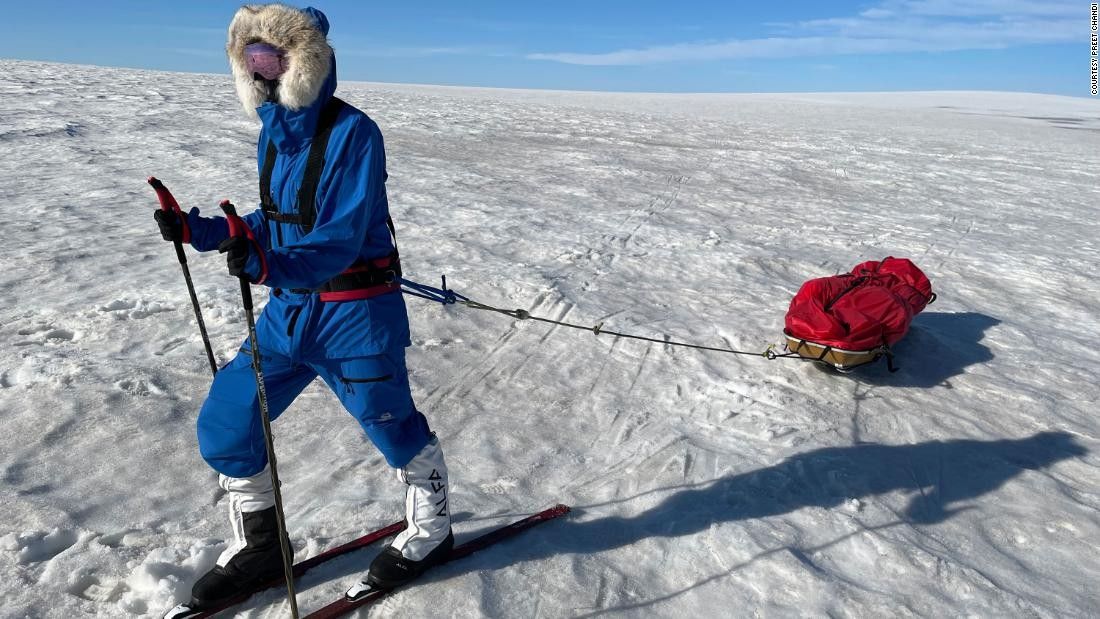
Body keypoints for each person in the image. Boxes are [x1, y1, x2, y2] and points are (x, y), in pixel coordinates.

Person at [154, 3, 452, 609]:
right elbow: (278, 219)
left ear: (306, 63)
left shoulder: (355, 134)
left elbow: (340, 234)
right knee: (227, 420)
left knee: (393, 429)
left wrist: (268, 265)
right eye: (252, 60)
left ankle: (432, 530)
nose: (262, 73)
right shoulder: (274, 135)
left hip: (355, 317)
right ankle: (263, 547)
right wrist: (206, 231)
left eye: (273, 58)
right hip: (289, 313)